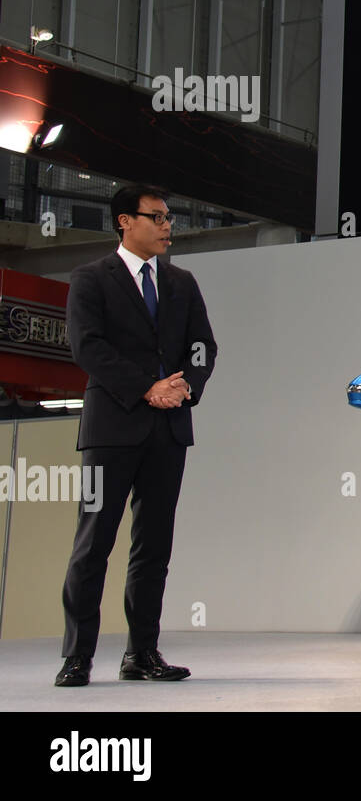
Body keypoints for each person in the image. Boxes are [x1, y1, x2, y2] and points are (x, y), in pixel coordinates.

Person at [55, 184, 217, 686]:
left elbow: (202, 346)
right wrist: (148, 388)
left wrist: (184, 387)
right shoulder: (89, 279)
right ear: (125, 221)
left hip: (168, 431)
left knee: (153, 548)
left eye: (170, 218)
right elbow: (88, 347)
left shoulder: (182, 283)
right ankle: (77, 656)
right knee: (93, 543)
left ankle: (141, 655)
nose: (168, 226)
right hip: (111, 428)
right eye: (157, 217)